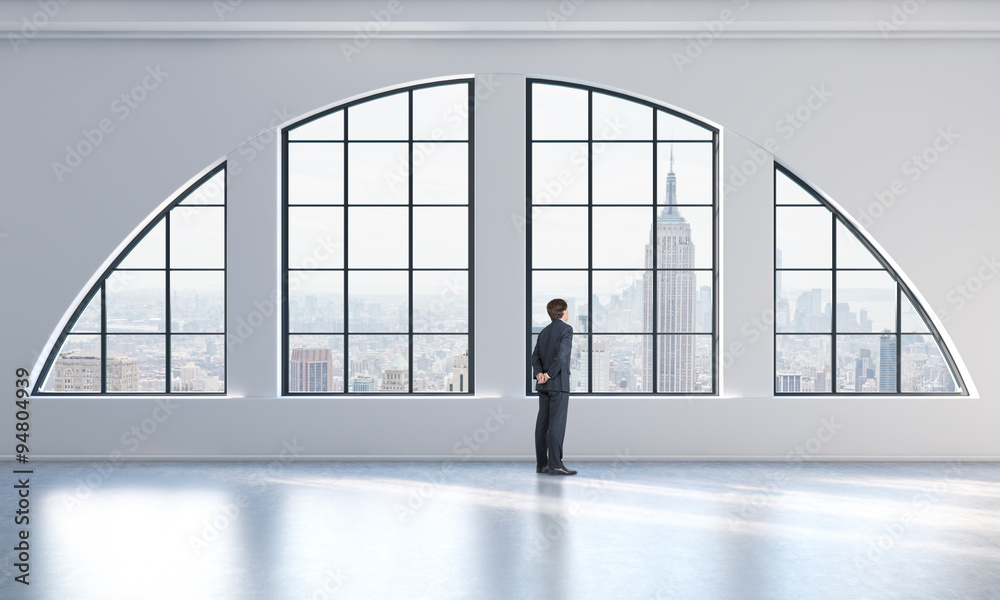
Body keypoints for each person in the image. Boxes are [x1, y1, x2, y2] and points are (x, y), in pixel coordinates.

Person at [531, 298, 577, 476]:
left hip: (543, 385)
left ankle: (542, 464)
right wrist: (549, 375)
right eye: (567, 310)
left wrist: (540, 374)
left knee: (542, 425)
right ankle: (556, 465)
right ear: (563, 311)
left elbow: (535, 357)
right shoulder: (566, 329)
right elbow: (562, 355)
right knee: (556, 425)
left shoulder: (544, 332)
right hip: (558, 384)